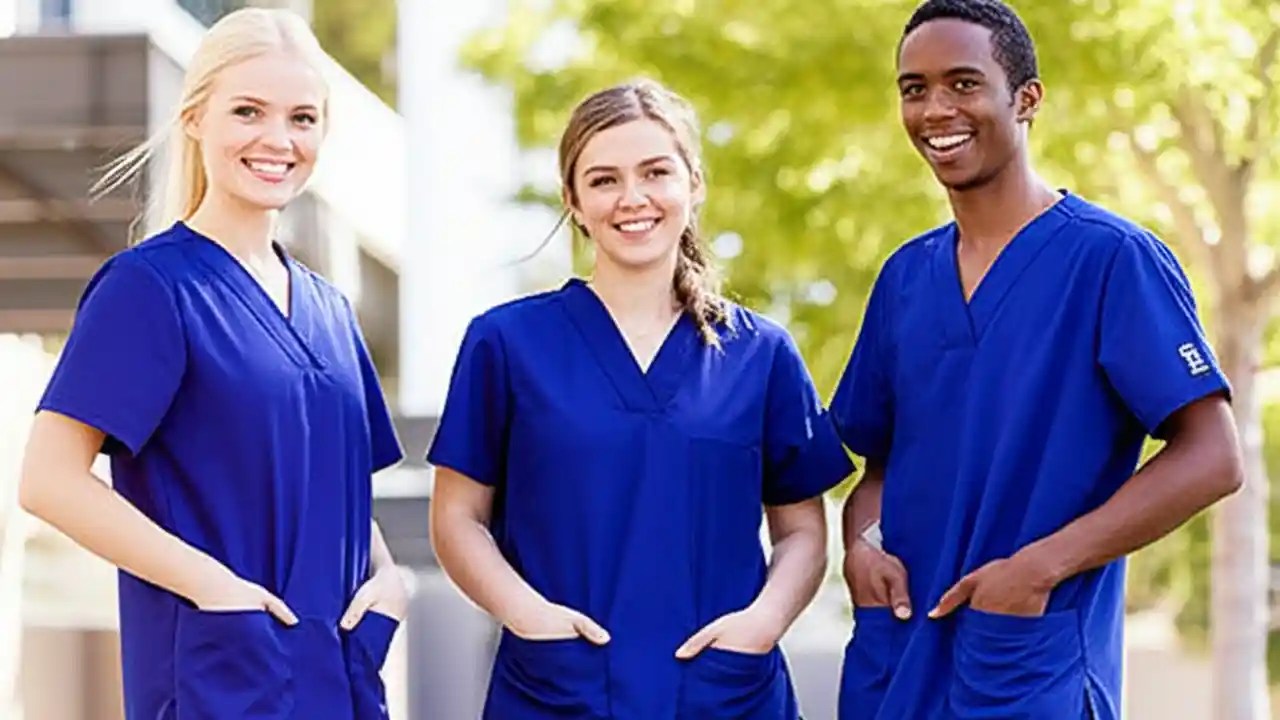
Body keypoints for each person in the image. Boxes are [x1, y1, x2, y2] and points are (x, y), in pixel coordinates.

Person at [832, 1, 1244, 718]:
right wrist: (860, 547)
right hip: (896, 663)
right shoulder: (905, 277)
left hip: (1024, 659)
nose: (936, 109)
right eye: (915, 88)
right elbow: (879, 467)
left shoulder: (1111, 260)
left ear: (1026, 99)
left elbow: (1212, 457)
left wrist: (1038, 569)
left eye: (964, 83)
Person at [18, 8, 406, 719]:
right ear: (195, 118)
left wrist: (388, 576)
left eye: (302, 117)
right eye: (249, 111)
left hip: (338, 683)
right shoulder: (152, 289)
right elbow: (49, 481)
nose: (278, 140)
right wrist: (212, 588)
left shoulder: (330, 310)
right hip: (223, 683)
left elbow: (337, 490)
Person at [428, 79, 853, 719]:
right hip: (558, 691)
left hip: (723, 694)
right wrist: (527, 616)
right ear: (572, 200)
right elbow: (457, 518)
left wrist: (761, 623)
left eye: (656, 172)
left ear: (694, 183)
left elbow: (802, 530)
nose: (633, 199)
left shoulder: (760, 353)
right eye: (603, 180)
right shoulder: (505, 343)